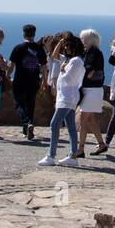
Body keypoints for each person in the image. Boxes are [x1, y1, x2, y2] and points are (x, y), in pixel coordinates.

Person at [39, 32, 83, 167]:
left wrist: (63, 69)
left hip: (68, 97)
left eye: (67, 46)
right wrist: (61, 41)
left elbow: (69, 79)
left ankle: (51, 155)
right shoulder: (68, 60)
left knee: (54, 124)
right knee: (70, 127)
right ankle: (73, 155)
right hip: (63, 97)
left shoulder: (77, 61)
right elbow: (54, 56)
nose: (65, 48)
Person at [8, 25, 48, 141]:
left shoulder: (18, 48)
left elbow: (11, 65)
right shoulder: (39, 49)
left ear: (24, 34)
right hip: (34, 81)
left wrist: (7, 75)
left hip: (20, 81)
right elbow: (44, 67)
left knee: (18, 104)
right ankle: (27, 130)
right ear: (34, 34)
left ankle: (27, 123)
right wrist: (45, 81)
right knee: (31, 105)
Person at [77, 28, 107, 157]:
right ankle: (101, 144)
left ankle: (80, 148)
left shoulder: (95, 53)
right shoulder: (87, 53)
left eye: (83, 38)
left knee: (83, 119)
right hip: (90, 90)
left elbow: (89, 72)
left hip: (92, 90)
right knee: (90, 120)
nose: (81, 40)